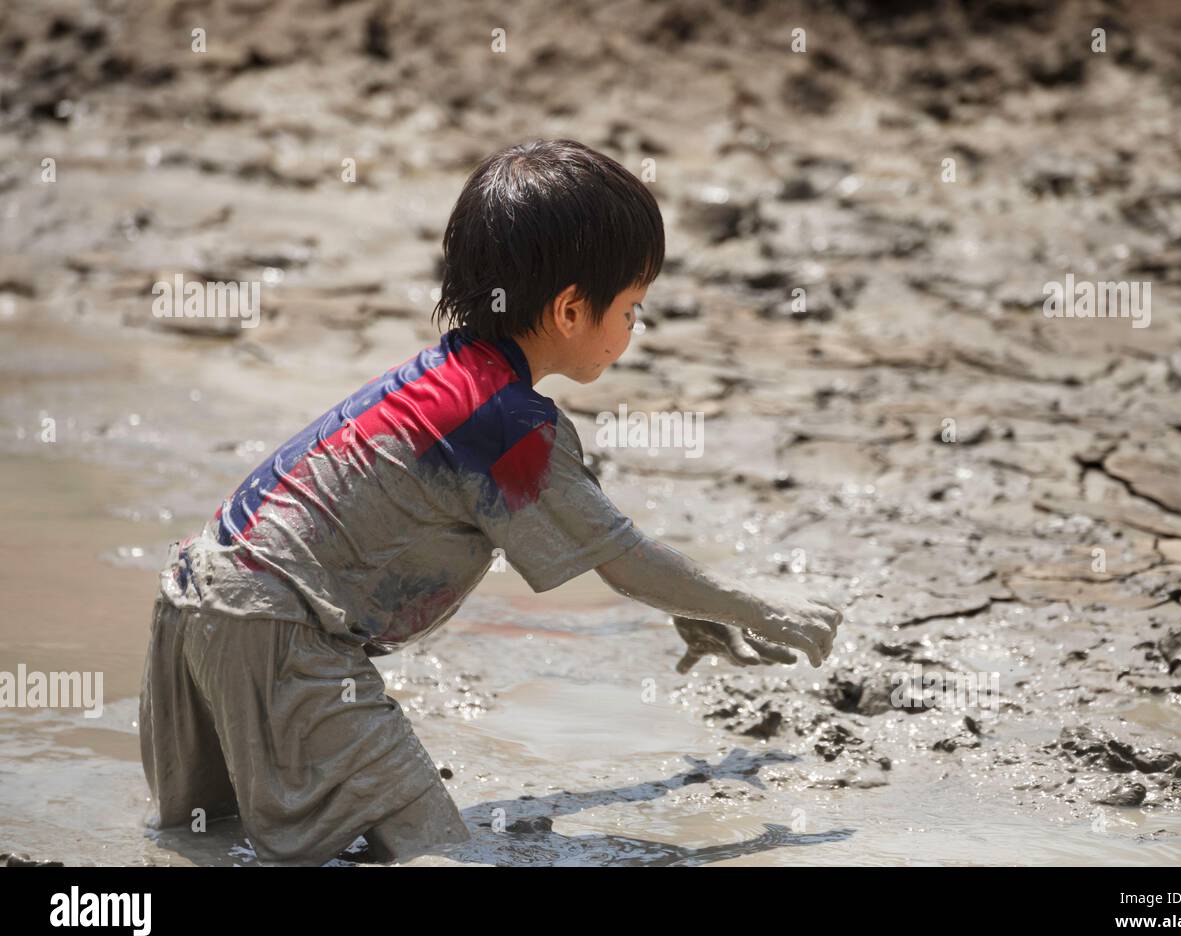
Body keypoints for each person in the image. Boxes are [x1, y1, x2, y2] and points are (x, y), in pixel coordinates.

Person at [139, 139, 842, 865]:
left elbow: (612, 552)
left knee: (207, 844)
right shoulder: (508, 426)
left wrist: (691, 608)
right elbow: (626, 561)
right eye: (633, 309)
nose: (636, 327)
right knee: (437, 851)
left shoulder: (443, 378)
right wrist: (760, 608)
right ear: (571, 310)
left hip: (195, 594)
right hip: (281, 630)